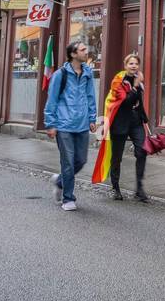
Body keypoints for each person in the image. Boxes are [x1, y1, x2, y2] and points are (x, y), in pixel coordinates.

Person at [44, 41, 98, 211]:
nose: (86, 51)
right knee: (68, 163)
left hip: (82, 125)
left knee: (81, 160)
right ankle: (68, 198)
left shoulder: (88, 73)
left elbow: (91, 96)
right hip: (64, 125)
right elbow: (51, 99)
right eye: (82, 49)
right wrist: (50, 124)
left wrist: (92, 118)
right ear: (73, 54)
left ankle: (60, 181)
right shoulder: (60, 75)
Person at [93, 54, 152, 202]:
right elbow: (125, 101)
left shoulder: (139, 81)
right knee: (117, 156)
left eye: (136, 64)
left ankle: (139, 189)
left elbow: (138, 102)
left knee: (142, 151)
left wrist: (144, 118)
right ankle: (116, 187)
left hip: (135, 122)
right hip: (120, 122)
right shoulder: (118, 80)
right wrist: (137, 85)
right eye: (131, 63)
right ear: (125, 65)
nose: (134, 66)